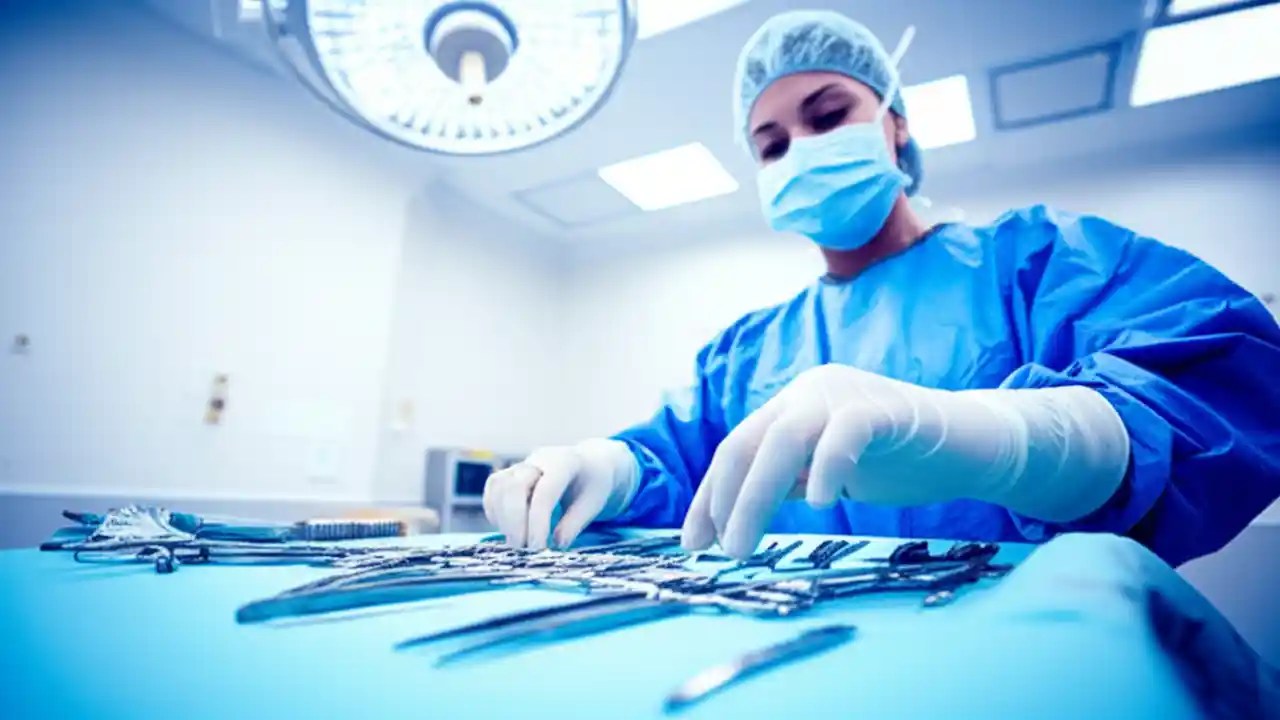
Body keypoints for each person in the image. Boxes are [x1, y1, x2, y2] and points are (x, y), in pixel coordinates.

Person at [483, 10, 1280, 567]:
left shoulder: (1030, 263)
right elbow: (686, 470)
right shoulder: (747, 352)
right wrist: (605, 468)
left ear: (895, 123)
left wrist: (999, 442)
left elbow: (1231, 379)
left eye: (828, 115)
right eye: (770, 144)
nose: (798, 148)